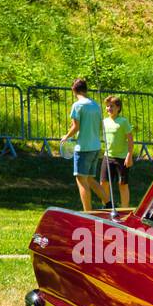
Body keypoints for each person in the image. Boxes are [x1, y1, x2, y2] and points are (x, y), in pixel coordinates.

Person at [60, 78, 105, 212]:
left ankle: (87, 212)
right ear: (86, 89)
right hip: (95, 147)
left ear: (74, 90)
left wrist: (66, 137)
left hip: (83, 148)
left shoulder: (77, 105)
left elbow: (76, 127)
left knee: (81, 181)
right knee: (90, 179)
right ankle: (108, 203)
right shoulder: (96, 105)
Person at [100, 95, 135, 208]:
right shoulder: (104, 122)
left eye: (112, 106)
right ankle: (107, 206)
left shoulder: (123, 121)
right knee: (103, 183)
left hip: (121, 157)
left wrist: (129, 155)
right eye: (107, 106)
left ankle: (125, 208)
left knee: (122, 184)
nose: (109, 108)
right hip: (107, 156)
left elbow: (130, 139)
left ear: (118, 108)